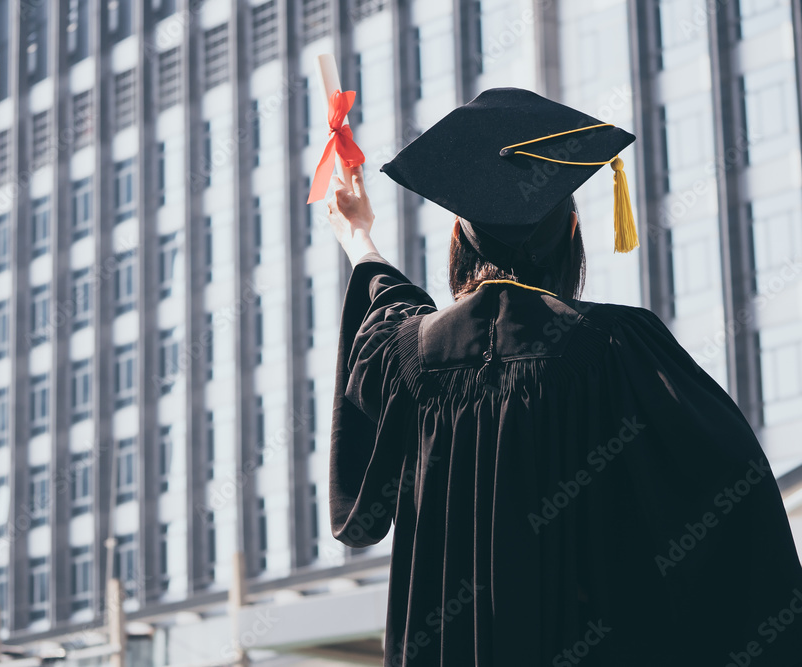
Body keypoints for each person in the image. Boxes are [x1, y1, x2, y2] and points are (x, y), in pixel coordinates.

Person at [325, 87, 802, 666]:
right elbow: (727, 486)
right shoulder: (617, 346)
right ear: (572, 237)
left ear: (457, 242)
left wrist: (358, 234)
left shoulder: (407, 357)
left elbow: (387, 311)